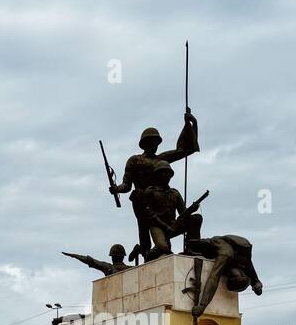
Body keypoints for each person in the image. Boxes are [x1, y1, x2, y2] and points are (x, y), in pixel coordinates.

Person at [110, 114, 199, 260]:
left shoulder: (161, 159)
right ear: (144, 143)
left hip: (161, 198)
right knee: (144, 229)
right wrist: (117, 189)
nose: (154, 144)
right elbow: (126, 185)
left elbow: (184, 150)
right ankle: (145, 251)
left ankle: (159, 250)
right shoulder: (135, 160)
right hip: (141, 199)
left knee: (163, 233)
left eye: (156, 141)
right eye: (151, 141)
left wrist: (191, 125)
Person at [61, 244, 129, 276]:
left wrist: (74, 255)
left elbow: (89, 260)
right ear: (123, 257)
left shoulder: (107, 267)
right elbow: (90, 260)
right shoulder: (130, 269)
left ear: (112, 257)